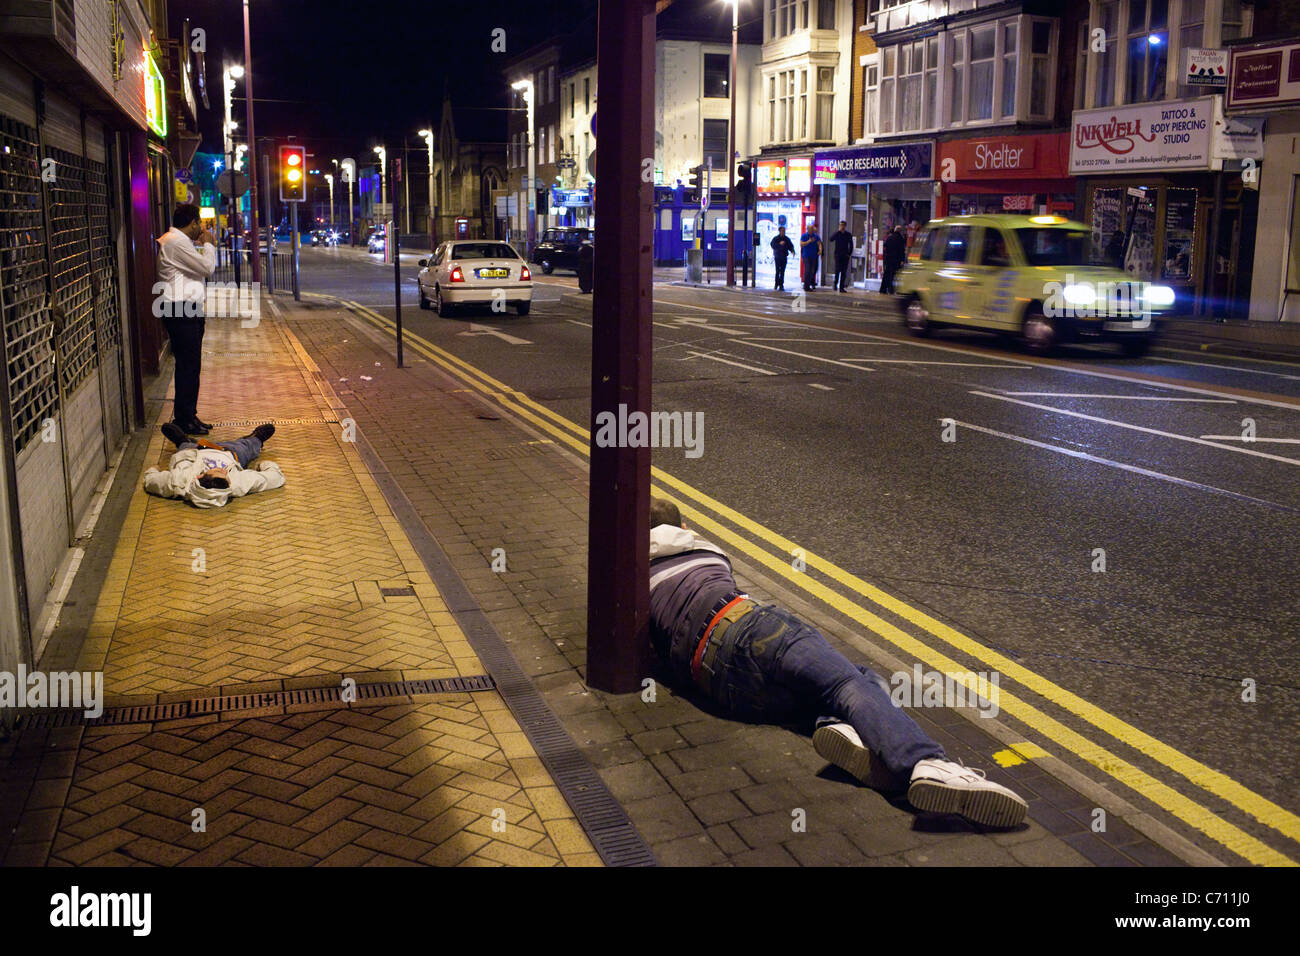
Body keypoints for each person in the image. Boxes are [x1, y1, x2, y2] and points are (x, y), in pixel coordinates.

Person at [648, 497, 1028, 828]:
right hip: (750, 628)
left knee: (840, 688)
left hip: (722, 687)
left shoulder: (635, 575)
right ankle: (925, 763)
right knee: (848, 682)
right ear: (683, 527)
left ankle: (849, 734)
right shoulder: (707, 550)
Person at [157, 204, 217, 435]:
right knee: (187, 366)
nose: (201, 228)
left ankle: (189, 415)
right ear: (193, 222)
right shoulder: (176, 242)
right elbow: (207, 267)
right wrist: (209, 244)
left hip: (186, 310)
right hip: (179, 310)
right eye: (199, 223)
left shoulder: (178, 242)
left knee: (191, 366)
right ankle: (183, 419)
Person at [144, 422, 284, 509]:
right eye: (225, 474)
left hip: (194, 450)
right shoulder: (236, 484)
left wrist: (153, 469)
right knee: (246, 447)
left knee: (185, 445)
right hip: (230, 452)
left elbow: (151, 481)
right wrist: (266, 465)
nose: (223, 471)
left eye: (217, 471)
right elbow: (274, 478)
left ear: (200, 476)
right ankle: (256, 438)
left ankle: (182, 440)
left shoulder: (179, 483)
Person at [880, 225, 906, 295]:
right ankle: (891, 289)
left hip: (888, 259)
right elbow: (902, 251)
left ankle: (883, 289)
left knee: (887, 274)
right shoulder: (901, 239)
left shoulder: (889, 238)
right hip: (896, 260)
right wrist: (902, 260)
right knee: (894, 275)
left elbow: (885, 247)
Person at [830, 221, 855, 292]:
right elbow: (831, 239)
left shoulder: (848, 235)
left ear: (845, 226)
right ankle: (835, 284)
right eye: (841, 225)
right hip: (838, 255)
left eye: (843, 225)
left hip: (845, 255)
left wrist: (849, 254)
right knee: (837, 270)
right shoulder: (837, 234)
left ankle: (841, 287)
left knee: (844, 272)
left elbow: (851, 245)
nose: (842, 227)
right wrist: (837, 232)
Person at [770, 226, 796, 291]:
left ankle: (781, 285)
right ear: (779, 231)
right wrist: (779, 244)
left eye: (784, 231)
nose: (783, 232)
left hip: (784, 257)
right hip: (777, 256)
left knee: (782, 271)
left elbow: (790, 246)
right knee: (777, 271)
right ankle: (776, 284)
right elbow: (772, 245)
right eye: (782, 231)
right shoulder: (776, 238)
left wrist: (792, 251)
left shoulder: (787, 239)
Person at [799, 224, 822, 291]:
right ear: (808, 229)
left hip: (814, 256)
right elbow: (801, 244)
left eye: (813, 229)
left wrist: (820, 250)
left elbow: (819, 243)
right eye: (811, 229)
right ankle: (806, 286)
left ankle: (809, 284)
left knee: (812, 271)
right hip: (806, 256)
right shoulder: (804, 236)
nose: (812, 230)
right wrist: (808, 241)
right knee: (807, 270)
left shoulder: (816, 236)